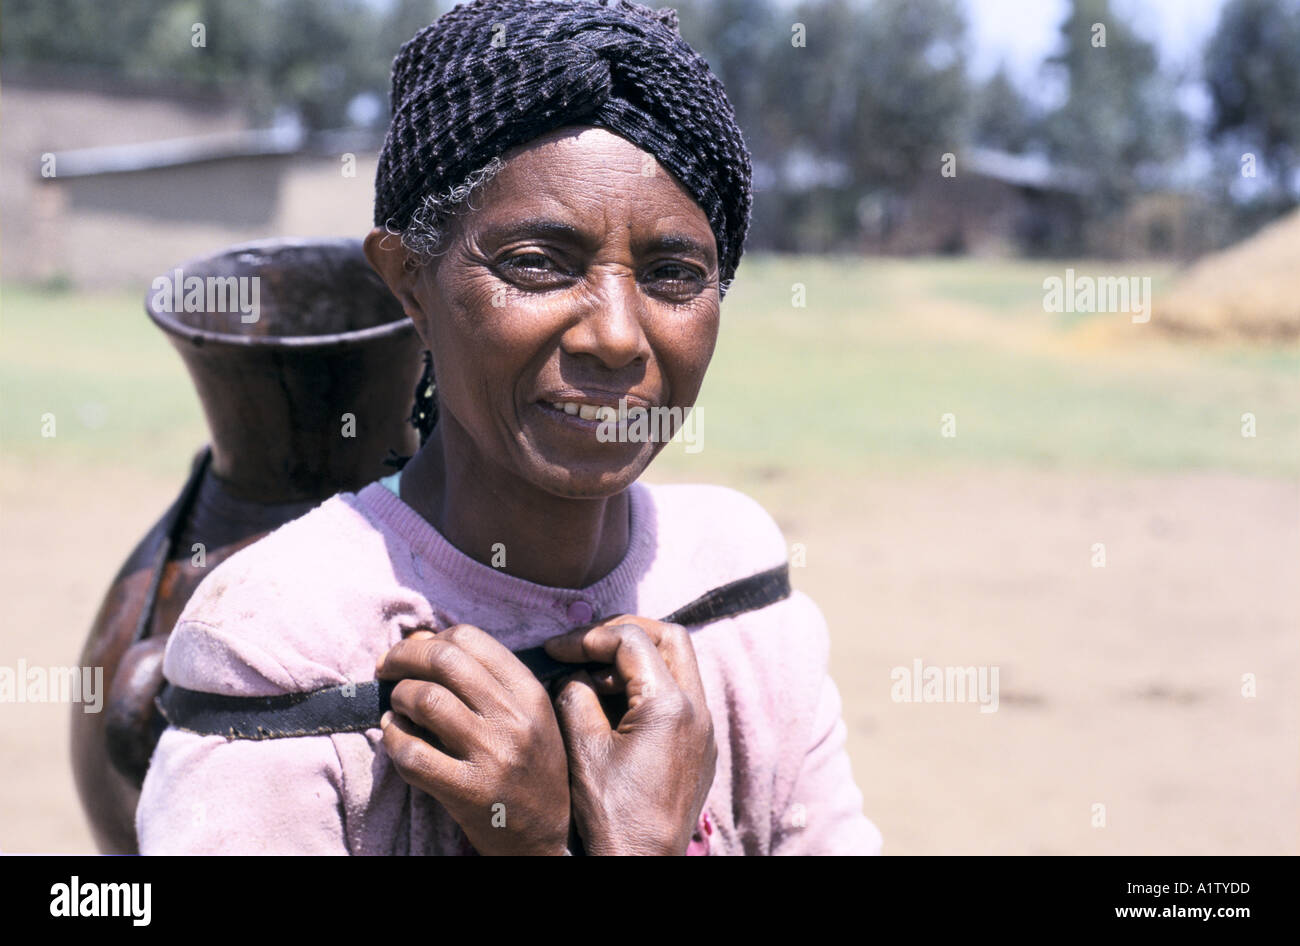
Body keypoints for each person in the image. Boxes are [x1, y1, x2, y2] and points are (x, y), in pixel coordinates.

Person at [136, 0, 882, 856]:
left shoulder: (737, 589)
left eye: (674, 274)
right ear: (410, 281)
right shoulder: (286, 643)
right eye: (537, 265)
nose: (614, 334)